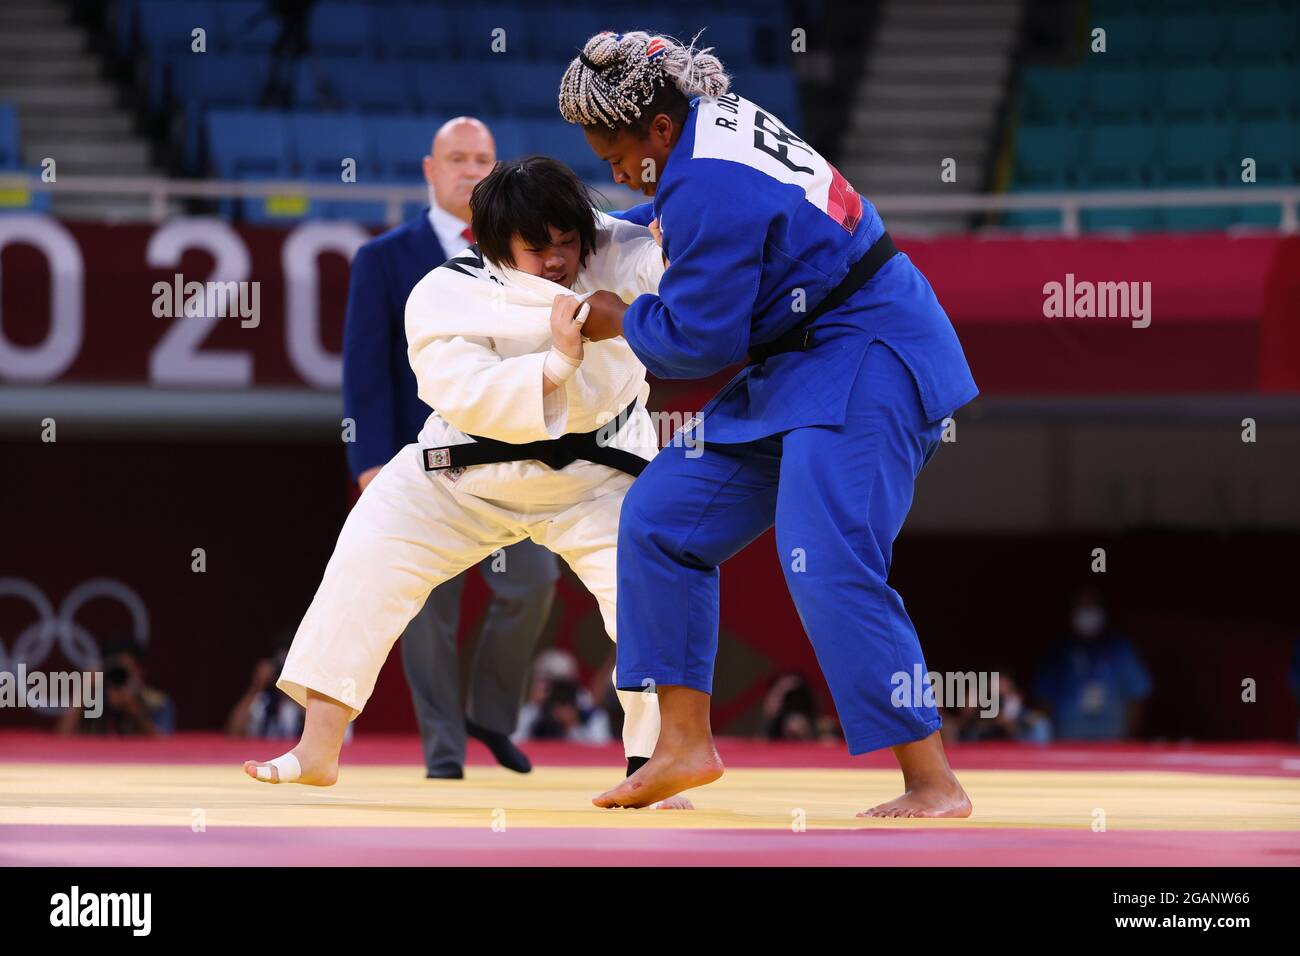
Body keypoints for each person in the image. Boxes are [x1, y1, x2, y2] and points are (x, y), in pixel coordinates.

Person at [558, 31, 980, 817]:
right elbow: (679, 219)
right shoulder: (705, 130)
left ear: (657, 127)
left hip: (869, 348)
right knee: (659, 518)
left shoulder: (706, 177)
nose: (612, 170)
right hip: (796, 358)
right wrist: (607, 224)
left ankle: (932, 780)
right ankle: (684, 742)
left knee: (828, 556)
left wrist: (619, 317)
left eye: (616, 154)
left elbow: (696, 341)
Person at [244, 157, 686, 806]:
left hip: (598, 477)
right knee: (367, 549)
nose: (561, 258)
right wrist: (559, 360)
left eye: (568, 241)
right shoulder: (444, 295)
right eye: (539, 249)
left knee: (648, 592)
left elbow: (665, 273)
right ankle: (318, 747)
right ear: (493, 245)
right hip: (465, 474)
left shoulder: (608, 247)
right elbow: (465, 395)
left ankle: (652, 762)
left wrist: (675, 237)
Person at [343, 115, 558, 779]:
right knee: (427, 614)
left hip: (508, 462)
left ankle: (491, 715)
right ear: (430, 171)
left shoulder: (520, 254)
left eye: (483, 158)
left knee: (534, 583)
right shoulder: (383, 260)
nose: (471, 169)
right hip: (420, 462)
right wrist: (370, 462)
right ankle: (443, 751)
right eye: (457, 158)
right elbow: (364, 371)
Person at [1033, 589, 1151, 740]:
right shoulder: (1057, 651)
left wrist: (1128, 739)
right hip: (1066, 743)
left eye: (1092, 606)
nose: (1087, 612)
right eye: (1082, 605)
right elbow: (1043, 700)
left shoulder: (1121, 649)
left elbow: (1137, 696)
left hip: (1112, 743)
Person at [57, 636, 175, 737]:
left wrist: (136, 712)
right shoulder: (91, 701)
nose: (119, 678)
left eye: (125, 672)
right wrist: (83, 692)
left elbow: (164, 747)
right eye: (116, 672)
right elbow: (62, 741)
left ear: (139, 672)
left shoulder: (157, 703)